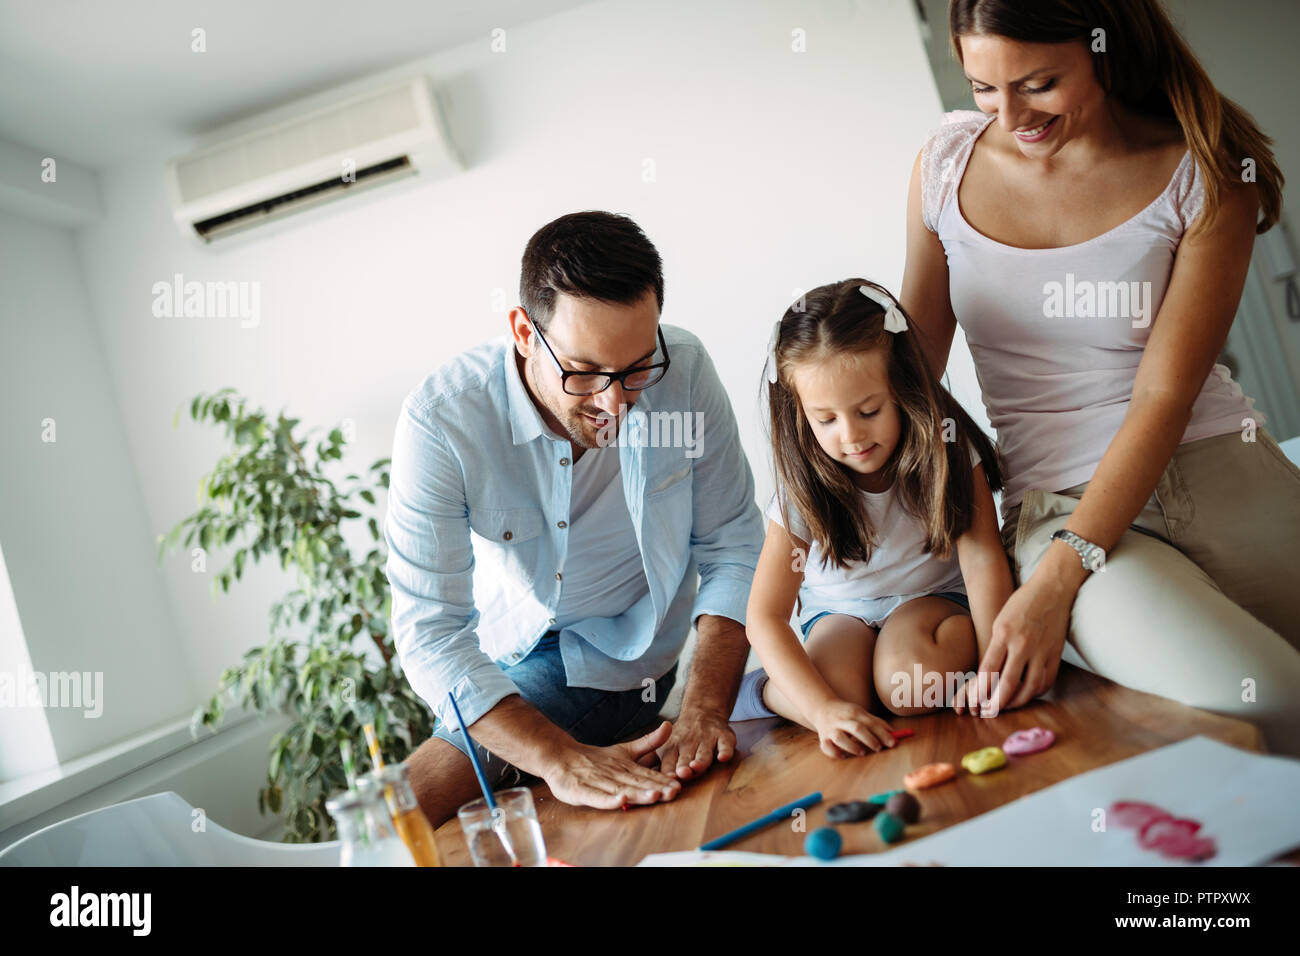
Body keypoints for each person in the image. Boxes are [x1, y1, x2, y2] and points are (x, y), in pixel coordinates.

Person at [901, 0, 1300, 755]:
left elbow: (1164, 395)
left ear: (1104, 49)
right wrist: (1045, 575)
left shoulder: (1205, 170)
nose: (1009, 113)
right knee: (1271, 707)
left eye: (1038, 83)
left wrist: (1057, 579)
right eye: (984, 86)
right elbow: (915, 364)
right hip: (1062, 507)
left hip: (1219, 464)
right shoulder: (945, 165)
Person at [386, 211, 764, 825]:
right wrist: (558, 759)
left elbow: (734, 545)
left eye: (638, 367)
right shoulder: (442, 422)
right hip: (501, 651)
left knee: (413, 803)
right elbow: (430, 632)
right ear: (523, 332)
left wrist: (704, 708)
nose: (615, 403)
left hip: (620, 651)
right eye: (585, 372)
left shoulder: (686, 370)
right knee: (405, 813)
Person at [730, 278, 1016, 754]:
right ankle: (763, 691)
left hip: (933, 600)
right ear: (800, 414)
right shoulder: (802, 487)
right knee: (840, 699)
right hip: (839, 615)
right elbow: (764, 615)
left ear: (902, 386)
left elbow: (984, 557)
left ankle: (880, 674)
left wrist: (992, 667)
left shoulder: (946, 450)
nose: (852, 436)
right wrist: (822, 711)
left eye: (869, 410)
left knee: (910, 686)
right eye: (826, 420)